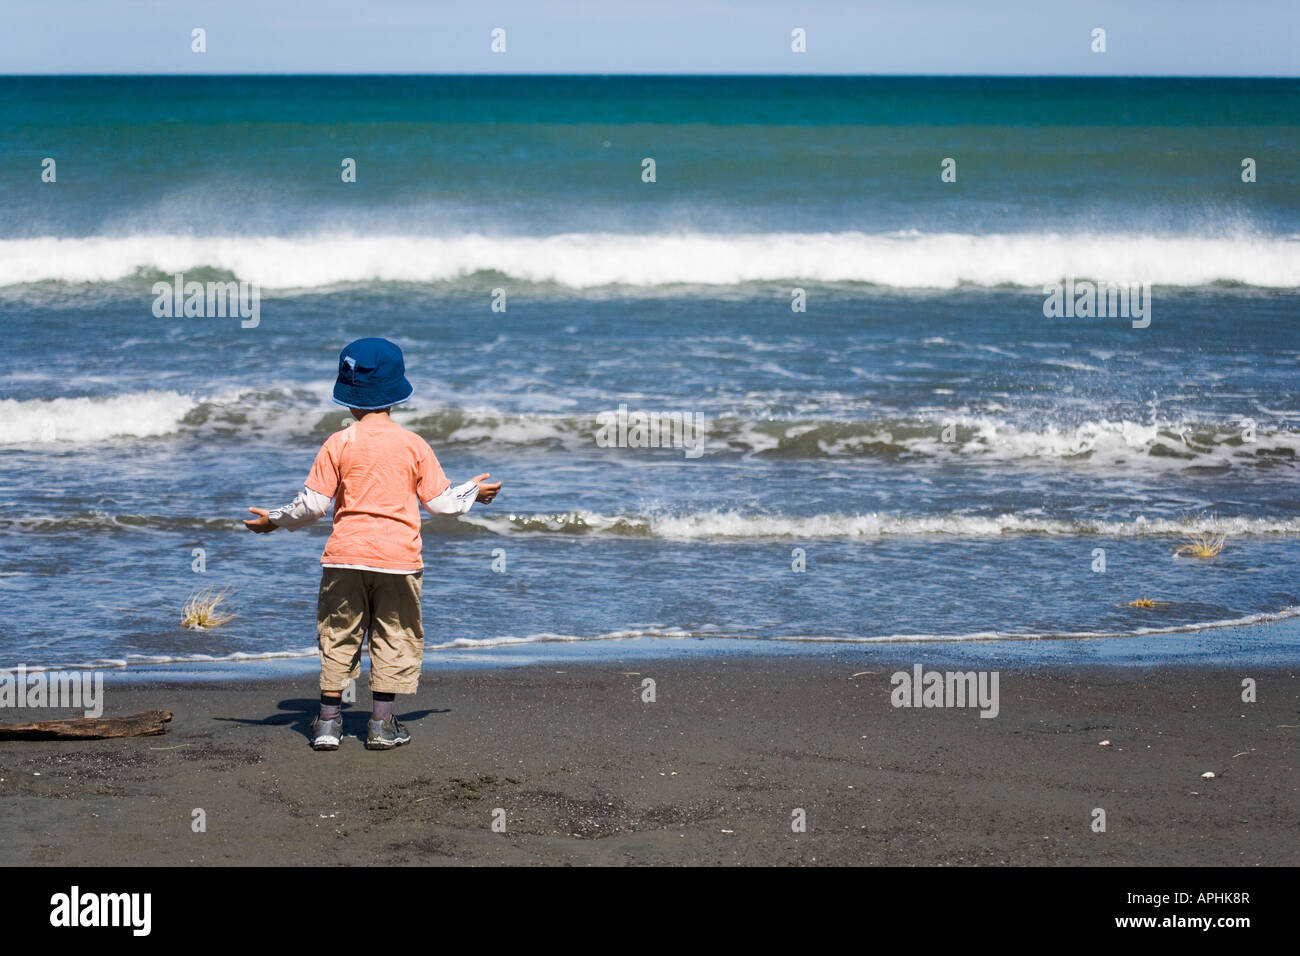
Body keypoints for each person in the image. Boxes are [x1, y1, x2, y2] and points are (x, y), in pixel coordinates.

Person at [243, 337, 501, 750]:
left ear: (349, 396)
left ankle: (328, 722)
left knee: (338, 633)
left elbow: (312, 506)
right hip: (399, 562)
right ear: (396, 393)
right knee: (395, 635)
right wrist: (475, 491)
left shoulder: (339, 443)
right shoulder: (414, 444)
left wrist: (274, 520)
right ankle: (381, 726)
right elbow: (442, 505)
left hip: (344, 558)